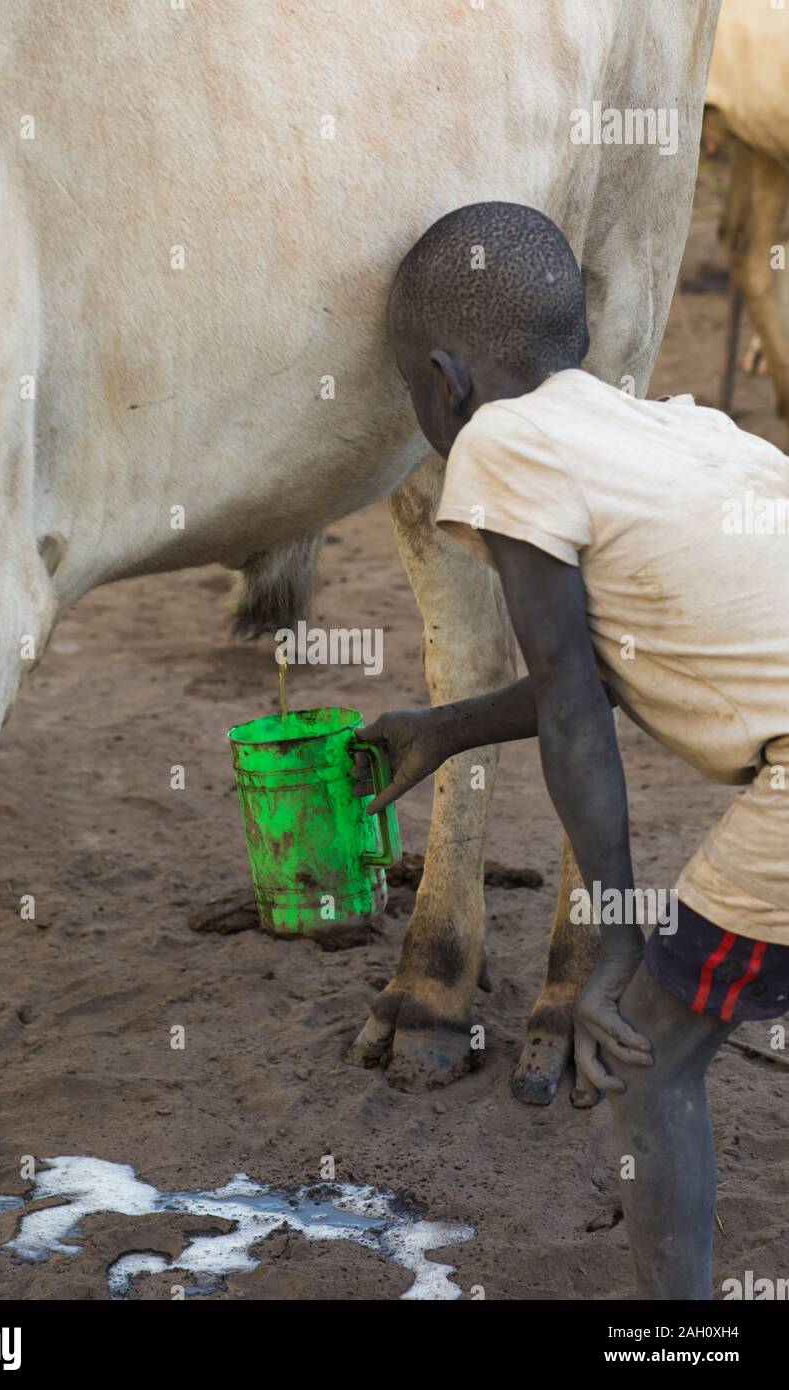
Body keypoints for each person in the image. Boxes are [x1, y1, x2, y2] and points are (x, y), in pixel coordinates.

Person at [353, 201, 789, 1300]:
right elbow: (591, 670)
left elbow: (575, 713)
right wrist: (444, 731)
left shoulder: (498, 446)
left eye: (414, 395)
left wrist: (606, 941)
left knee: (643, 1054)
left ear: (443, 384)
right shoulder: (669, 428)